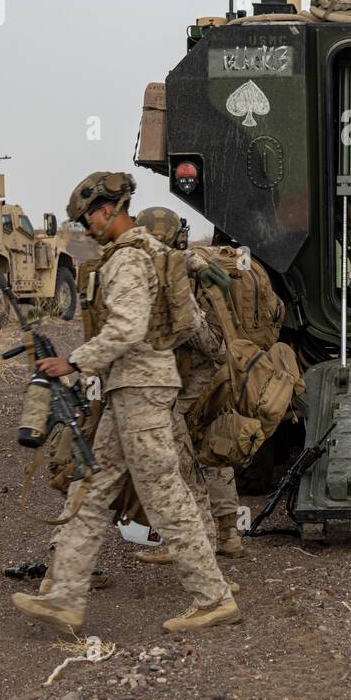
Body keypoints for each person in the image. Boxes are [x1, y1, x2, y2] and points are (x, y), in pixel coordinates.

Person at [10, 172, 238, 635]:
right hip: (129, 391)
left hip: (140, 392)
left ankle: (213, 598)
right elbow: (179, 319)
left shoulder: (130, 260)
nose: (85, 229)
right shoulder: (152, 255)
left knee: (164, 495)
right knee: (92, 492)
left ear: (108, 210)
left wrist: (73, 361)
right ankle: (63, 598)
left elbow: (127, 328)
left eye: (86, 218)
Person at [134, 206, 243, 562]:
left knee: (184, 454)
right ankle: (226, 535)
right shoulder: (187, 266)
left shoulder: (180, 276)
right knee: (210, 448)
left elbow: (206, 340)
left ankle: (193, 542)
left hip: (203, 372)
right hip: (208, 371)